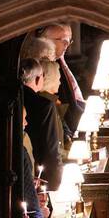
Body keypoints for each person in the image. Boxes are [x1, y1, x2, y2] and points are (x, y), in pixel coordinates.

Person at [33, 22, 86, 134]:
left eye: (69, 41)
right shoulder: (44, 68)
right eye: (63, 41)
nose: (67, 45)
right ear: (45, 39)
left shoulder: (59, 61)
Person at [22, 58, 64, 191]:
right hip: (40, 176)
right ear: (38, 79)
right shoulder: (43, 105)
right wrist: (55, 184)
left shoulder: (11, 98)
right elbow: (50, 147)